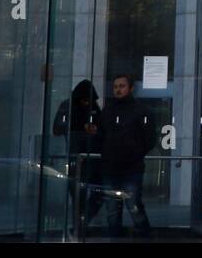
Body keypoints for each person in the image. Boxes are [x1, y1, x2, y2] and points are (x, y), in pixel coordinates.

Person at [98, 74, 156, 238]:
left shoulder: (141, 111)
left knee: (134, 206)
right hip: (111, 167)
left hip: (131, 168)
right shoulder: (107, 111)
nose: (118, 89)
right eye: (116, 86)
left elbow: (150, 138)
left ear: (130, 88)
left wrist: (136, 153)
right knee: (112, 210)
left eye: (122, 86)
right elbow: (101, 136)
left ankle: (145, 237)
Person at [51, 80, 105, 235]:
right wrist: (81, 127)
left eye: (89, 100)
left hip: (93, 156)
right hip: (77, 155)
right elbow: (58, 128)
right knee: (77, 195)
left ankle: (81, 222)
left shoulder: (93, 107)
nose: (87, 103)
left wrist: (96, 130)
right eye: (84, 100)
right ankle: (79, 225)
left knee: (98, 191)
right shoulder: (68, 106)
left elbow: (100, 127)